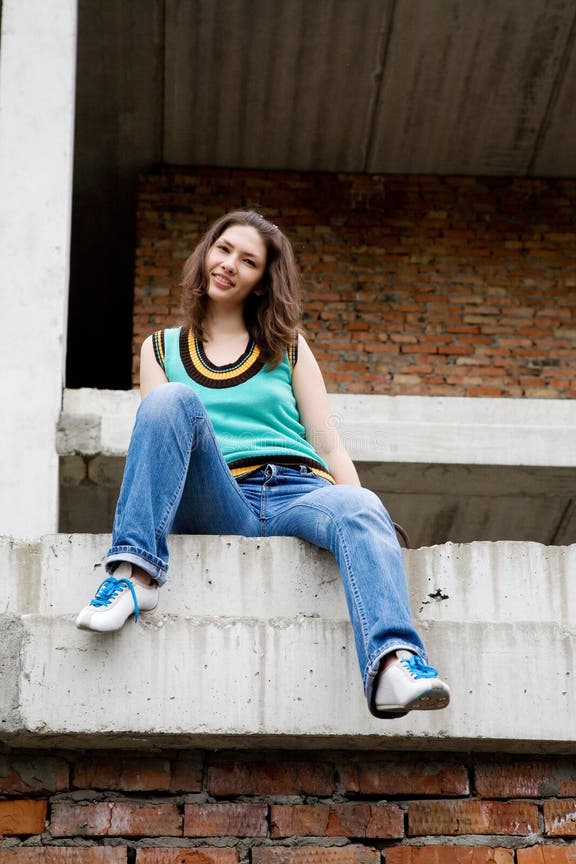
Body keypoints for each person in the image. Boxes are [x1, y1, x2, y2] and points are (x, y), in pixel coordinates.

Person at [75, 209, 450, 719]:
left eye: (247, 261)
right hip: (218, 494)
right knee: (167, 404)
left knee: (360, 503)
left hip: (299, 492)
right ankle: (132, 575)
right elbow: (160, 443)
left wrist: (368, 514)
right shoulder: (160, 347)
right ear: (207, 252)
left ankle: (394, 665)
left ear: (260, 282)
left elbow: (328, 441)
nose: (229, 264)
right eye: (223, 248)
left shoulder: (288, 346)